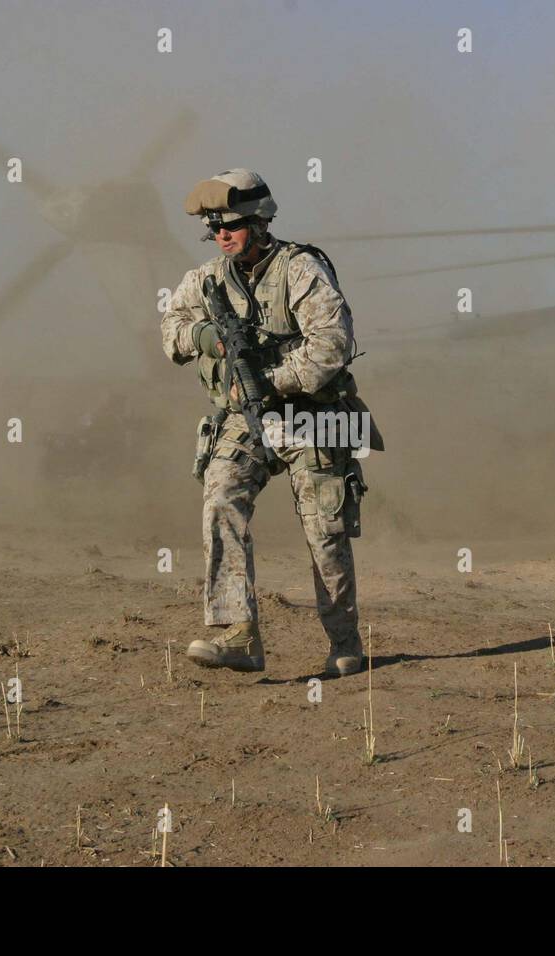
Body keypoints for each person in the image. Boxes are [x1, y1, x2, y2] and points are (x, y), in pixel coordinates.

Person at [160, 169, 382, 677]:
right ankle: (238, 634)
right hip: (245, 418)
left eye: (232, 225)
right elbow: (170, 334)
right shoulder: (206, 280)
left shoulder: (300, 269)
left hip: (315, 414)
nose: (222, 235)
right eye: (215, 228)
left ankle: (343, 642)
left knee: (324, 530)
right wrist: (205, 337)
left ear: (260, 222)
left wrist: (273, 380)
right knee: (220, 498)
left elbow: (332, 344)